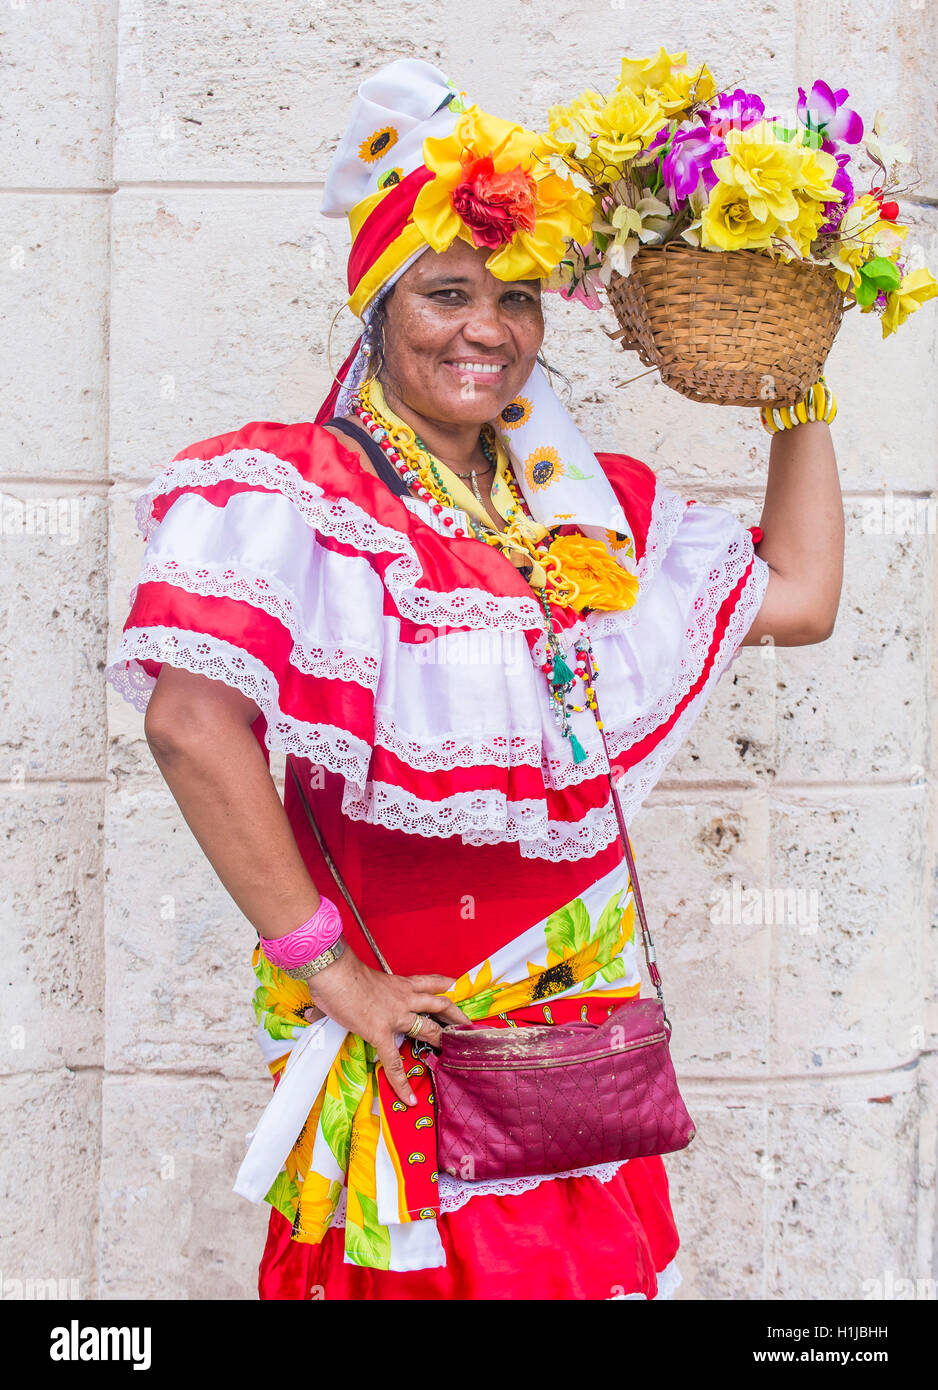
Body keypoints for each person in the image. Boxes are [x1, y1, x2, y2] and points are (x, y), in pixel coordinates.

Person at [106, 58, 844, 1300]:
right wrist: (328, 967)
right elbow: (188, 724)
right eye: (446, 294)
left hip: (580, 1054)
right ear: (379, 306)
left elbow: (802, 600)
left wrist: (796, 382)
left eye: (515, 296)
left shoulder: (588, 513)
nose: (486, 329)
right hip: (429, 1041)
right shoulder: (300, 496)